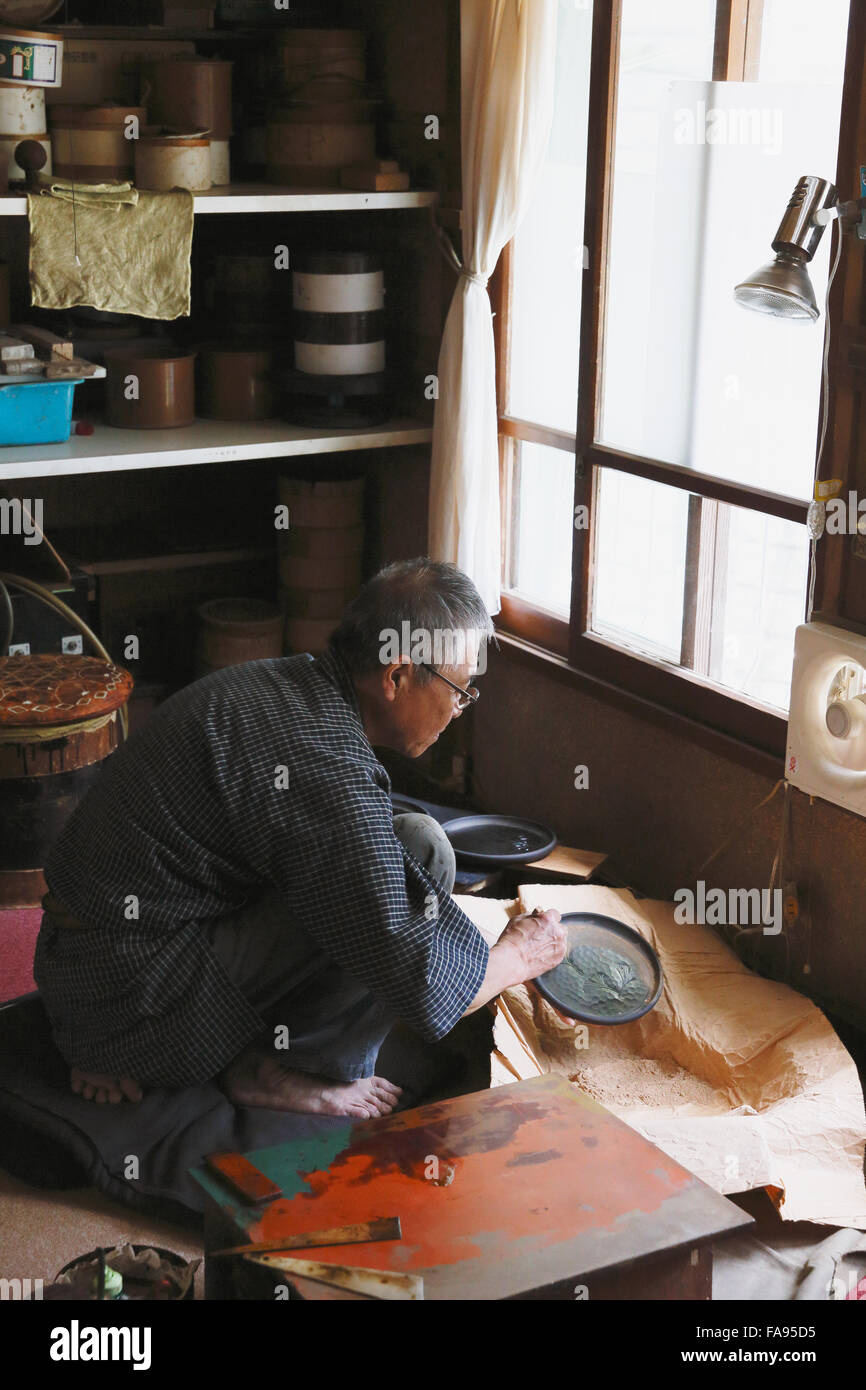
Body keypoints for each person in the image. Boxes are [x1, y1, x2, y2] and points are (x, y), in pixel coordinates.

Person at [34, 557, 565, 1118]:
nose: (460, 708)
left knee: (401, 844)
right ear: (396, 676)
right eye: (461, 689)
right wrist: (515, 955)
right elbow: (422, 985)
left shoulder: (292, 682)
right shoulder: (326, 765)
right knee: (421, 851)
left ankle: (162, 1039)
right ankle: (282, 1070)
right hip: (129, 996)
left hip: (87, 960)